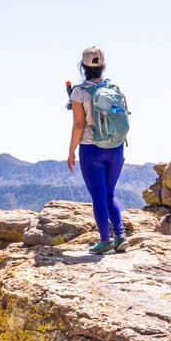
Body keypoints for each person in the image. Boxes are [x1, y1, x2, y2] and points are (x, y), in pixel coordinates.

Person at [66, 46, 128, 254]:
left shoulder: (79, 91)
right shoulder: (115, 88)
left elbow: (78, 125)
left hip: (91, 149)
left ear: (83, 67)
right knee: (110, 193)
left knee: (98, 197)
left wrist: (71, 151)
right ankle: (120, 237)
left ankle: (105, 241)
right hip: (116, 148)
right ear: (103, 66)